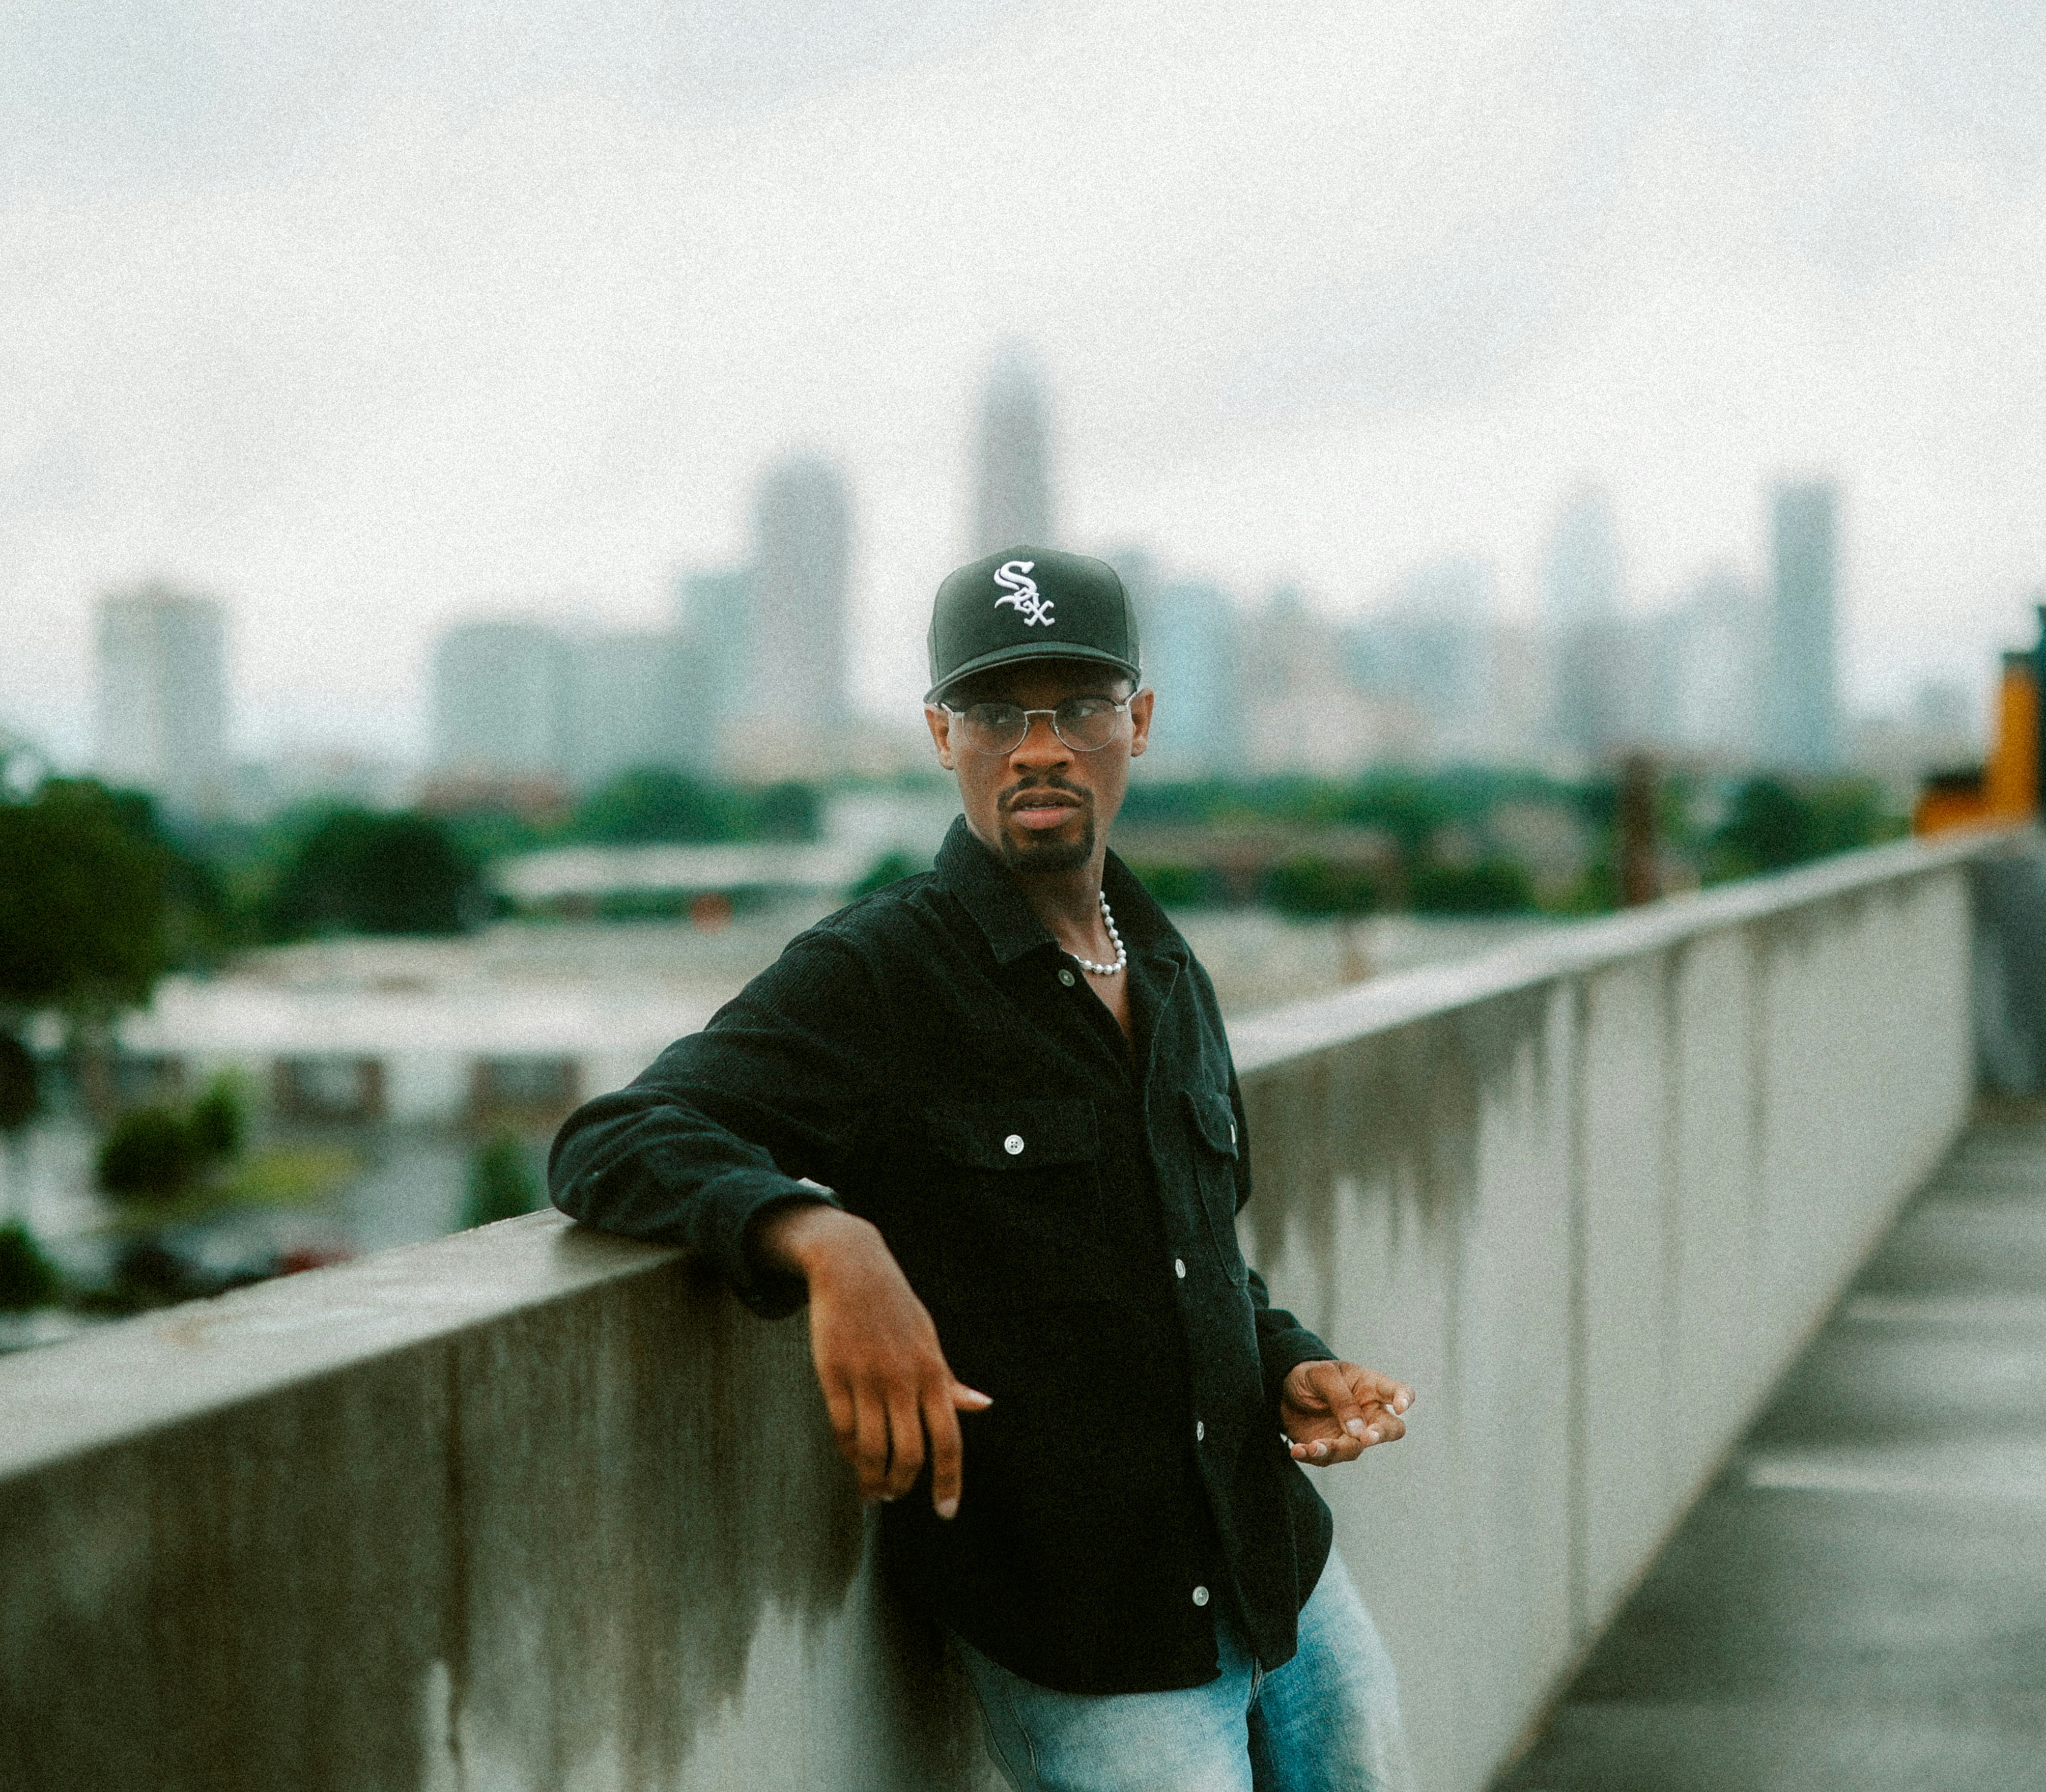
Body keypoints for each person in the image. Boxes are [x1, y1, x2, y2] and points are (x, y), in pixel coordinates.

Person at [549, 546, 1417, 1792]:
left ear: (1140, 724)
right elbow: (613, 1138)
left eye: (1081, 709)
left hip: (1277, 1562)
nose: (1039, 748)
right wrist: (824, 1239)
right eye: (997, 713)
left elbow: (1196, 1253)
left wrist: (1289, 1361)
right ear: (940, 735)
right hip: (1088, 1634)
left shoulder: (1168, 967)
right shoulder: (879, 974)